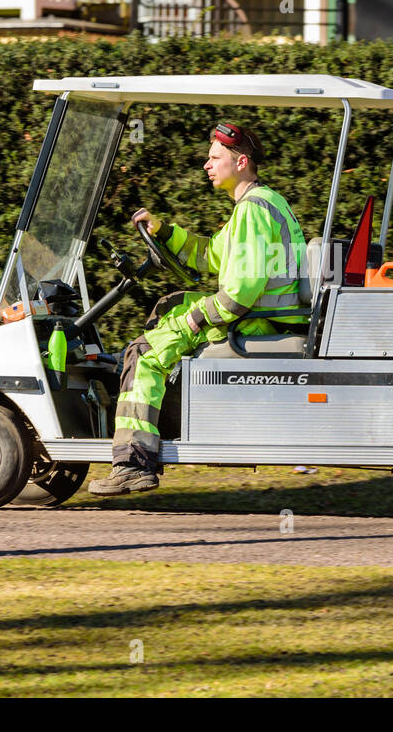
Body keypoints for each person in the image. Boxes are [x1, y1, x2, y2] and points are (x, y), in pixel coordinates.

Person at [88, 123, 309, 496]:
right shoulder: (258, 204)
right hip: (261, 319)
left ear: (240, 162)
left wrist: (196, 317)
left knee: (143, 353)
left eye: (214, 157)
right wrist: (163, 231)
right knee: (167, 307)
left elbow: (239, 296)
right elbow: (210, 254)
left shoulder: (253, 211)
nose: (206, 164)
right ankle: (159, 417)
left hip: (254, 324)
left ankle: (132, 464)